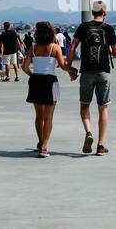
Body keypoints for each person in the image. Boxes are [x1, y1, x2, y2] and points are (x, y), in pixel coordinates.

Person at [71, 0, 116, 155]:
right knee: (103, 107)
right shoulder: (109, 28)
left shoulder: (83, 27)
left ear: (93, 12)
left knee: (85, 106)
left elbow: (72, 47)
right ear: (104, 13)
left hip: (86, 72)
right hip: (103, 72)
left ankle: (89, 133)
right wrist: (107, 50)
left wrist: (68, 66)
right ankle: (100, 146)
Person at [23, 20, 78, 158]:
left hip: (36, 80)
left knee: (39, 116)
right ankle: (44, 147)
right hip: (49, 81)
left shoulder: (33, 48)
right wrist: (72, 69)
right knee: (48, 118)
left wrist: (33, 75)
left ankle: (41, 142)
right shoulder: (55, 48)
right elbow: (63, 66)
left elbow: (24, 67)